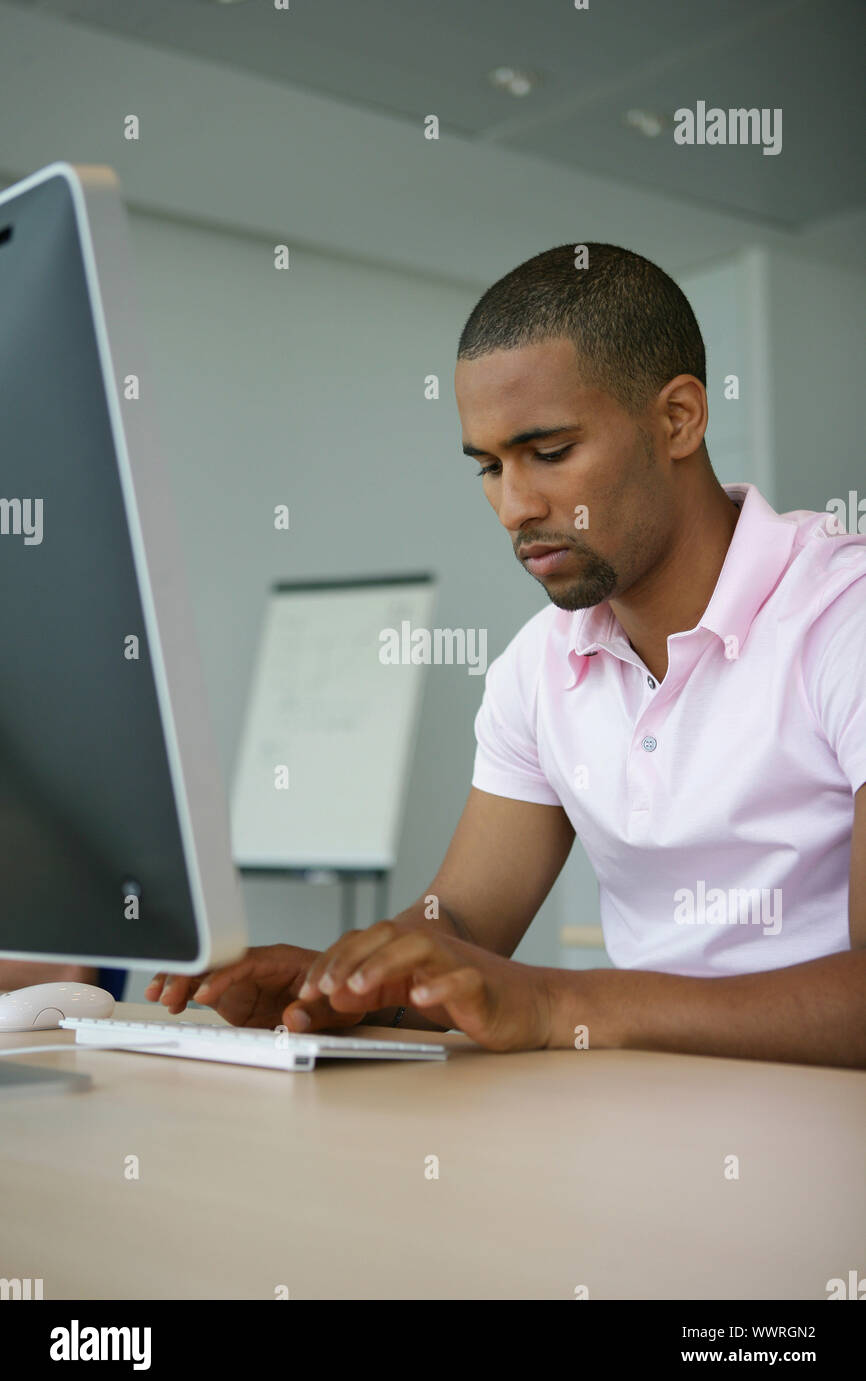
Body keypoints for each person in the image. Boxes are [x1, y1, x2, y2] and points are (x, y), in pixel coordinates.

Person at [147, 242, 866, 1067]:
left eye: (550, 453)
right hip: (644, 1119)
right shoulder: (539, 666)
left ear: (678, 419)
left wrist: (559, 1001)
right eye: (489, 467)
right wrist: (346, 984)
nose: (514, 508)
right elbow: (460, 927)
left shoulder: (844, 618)